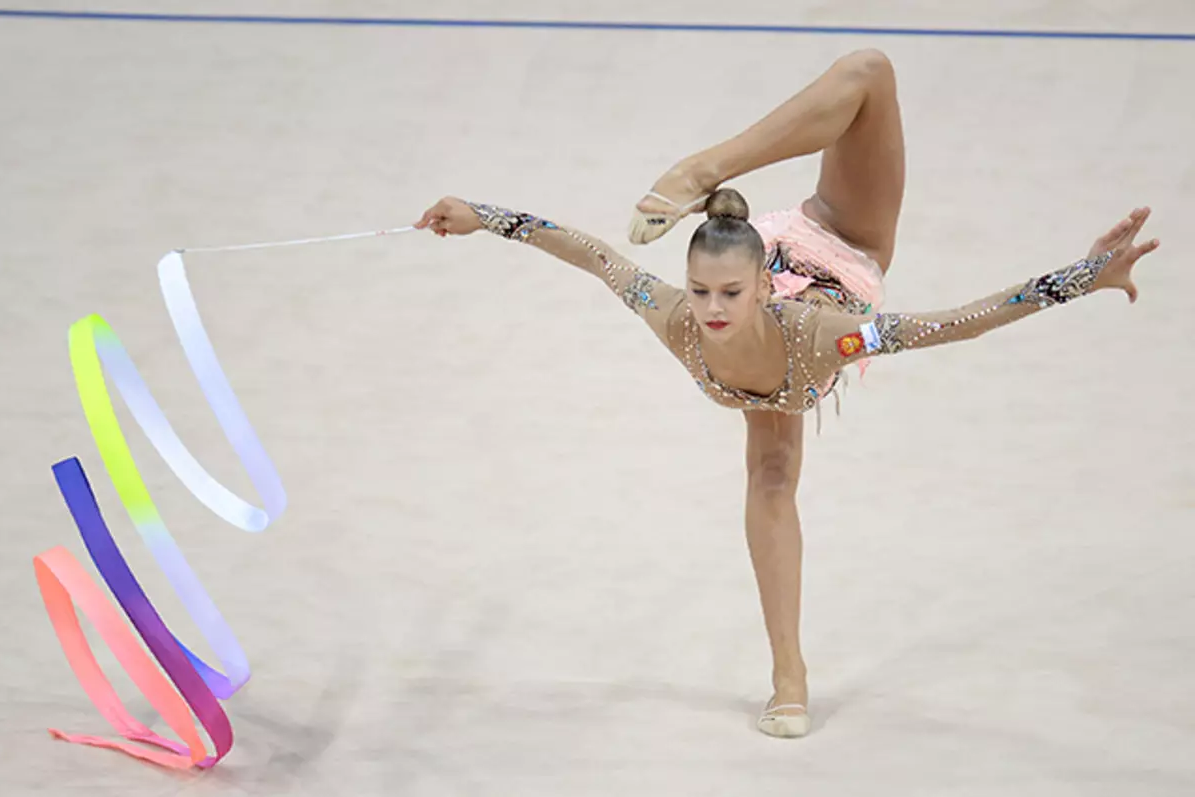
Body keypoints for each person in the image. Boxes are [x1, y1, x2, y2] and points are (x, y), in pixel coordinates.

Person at [413, 49, 1159, 738]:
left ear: (763, 284)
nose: (710, 308)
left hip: (844, 236)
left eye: (730, 293)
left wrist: (1080, 278)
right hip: (775, 351)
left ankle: (709, 164)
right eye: (701, 290)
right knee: (770, 479)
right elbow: (594, 254)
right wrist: (485, 216)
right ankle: (788, 677)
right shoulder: (677, 318)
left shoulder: (823, 333)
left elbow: (956, 324)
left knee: (870, 73)